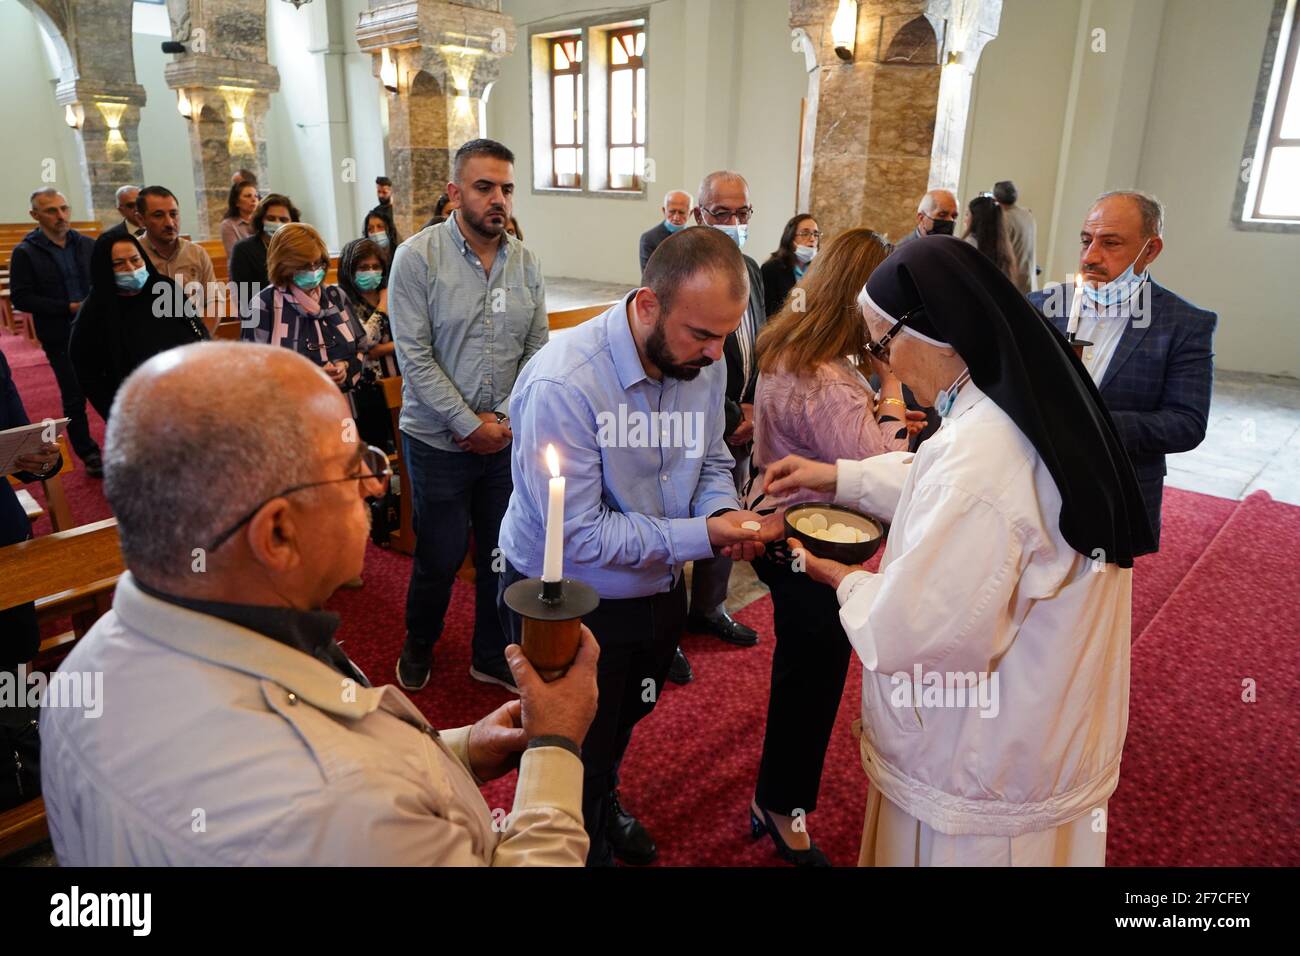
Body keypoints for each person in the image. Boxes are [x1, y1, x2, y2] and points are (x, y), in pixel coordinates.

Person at [40, 341, 599, 865]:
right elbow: (353, 804)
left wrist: (460, 752)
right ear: (277, 534)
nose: (376, 486)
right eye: (354, 467)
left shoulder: (81, 672)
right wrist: (555, 745)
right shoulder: (336, 805)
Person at [763, 235, 1154, 866]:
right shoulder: (1015, 402)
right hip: (1045, 721)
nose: (882, 364)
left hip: (984, 763)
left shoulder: (981, 457)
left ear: (932, 334)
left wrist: (841, 577)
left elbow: (910, 635)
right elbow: (934, 484)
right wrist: (839, 476)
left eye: (880, 345)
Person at [497, 226, 774, 866]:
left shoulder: (706, 355)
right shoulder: (565, 383)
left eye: (725, 336)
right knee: (569, 738)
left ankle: (603, 797)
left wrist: (724, 510)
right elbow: (581, 537)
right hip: (568, 596)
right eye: (700, 335)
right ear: (648, 305)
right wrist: (703, 535)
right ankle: (571, 839)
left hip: (654, 582)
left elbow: (707, 459)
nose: (714, 354)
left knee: (626, 713)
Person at [748, 228, 922, 865]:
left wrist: (875, 403)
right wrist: (893, 391)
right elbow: (885, 470)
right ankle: (781, 804)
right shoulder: (830, 377)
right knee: (813, 683)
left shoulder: (786, 344)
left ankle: (772, 790)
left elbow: (840, 446)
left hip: (778, 527)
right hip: (811, 542)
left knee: (800, 671)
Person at [388, 138, 548, 694]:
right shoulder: (416, 258)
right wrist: (467, 424)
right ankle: (419, 640)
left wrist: (499, 421)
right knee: (439, 552)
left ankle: (491, 652)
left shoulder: (524, 262)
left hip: (502, 441)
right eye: (484, 187)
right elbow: (413, 357)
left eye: (506, 188)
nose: (498, 199)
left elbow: (536, 348)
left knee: (502, 551)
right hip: (436, 441)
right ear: (455, 193)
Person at [1029, 190, 1215, 545]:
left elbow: (1186, 424)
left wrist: (1091, 425)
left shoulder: (1184, 323)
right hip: (1029, 486)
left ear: (1151, 250)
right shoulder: (1041, 306)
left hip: (1113, 497)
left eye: (1110, 243)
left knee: (1095, 598)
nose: (1091, 256)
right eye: (1086, 240)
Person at [677, 170, 767, 678]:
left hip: (741, 422)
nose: (734, 223)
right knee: (676, 525)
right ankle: (663, 633)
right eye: (722, 214)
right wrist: (732, 415)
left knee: (725, 517)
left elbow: (756, 342)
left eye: (742, 214)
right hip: (691, 426)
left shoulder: (750, 270)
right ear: (699, 216)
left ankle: (708, 607)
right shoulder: (683, 273)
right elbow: (684, 360)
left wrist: (754, 407)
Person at [7, 188, 101, 475]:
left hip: (96, 329)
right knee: (74, 395)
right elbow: (21, 297)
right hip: (60, 334)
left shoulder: (86, 244)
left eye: (64, 208)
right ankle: (89, 454)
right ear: (35, 215)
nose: (60, 216)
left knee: (115, 387)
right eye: (51, 210)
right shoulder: (26, 252)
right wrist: (67, 307)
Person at [69, 233, 208, 420]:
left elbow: (197, 329)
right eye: (119, 264)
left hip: (188, 392)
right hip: (139, 406)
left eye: (135, 260)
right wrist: (115, 413)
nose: (131, 269)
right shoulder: (95, 310)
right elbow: (86, 369)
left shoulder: (164, 288)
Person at [243, 222, 365, 393]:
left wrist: (344, 366)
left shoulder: (336, 296)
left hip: (342, 403)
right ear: (284, 265)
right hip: (289, 409)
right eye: (304, 266)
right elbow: (252, 369)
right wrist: (310, 377)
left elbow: (361, 347)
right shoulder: (262, 305)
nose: (313, 271)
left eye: (318, 263)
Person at [337, 236, 398, 451]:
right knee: (376, 449)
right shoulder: (342, 301)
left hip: (400, 380)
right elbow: (364, 339)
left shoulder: (393, 293)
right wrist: (383, 306)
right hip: (367, 389)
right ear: (349, 269)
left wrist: (386, 348)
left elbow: (414, 335)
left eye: (375, 266)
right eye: (363, 267)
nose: (371, 272)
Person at [136, 185, 221, 332]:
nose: (169, 223)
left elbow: (214, 302)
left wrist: (200, 339)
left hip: (194, 337)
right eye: (158, 215)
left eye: (173, 214)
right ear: (141, 219)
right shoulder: (133, 255)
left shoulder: (197, 253)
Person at [229, 193, 300, 315]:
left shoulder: (297, 248)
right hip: (261, 316)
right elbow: (244, 296)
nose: (277, 223)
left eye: (283, 220)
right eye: (271, 219)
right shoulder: (243, 249)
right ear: (261, 219)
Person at [760, 214, 819, 317]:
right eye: (805, 233)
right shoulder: (771, 269)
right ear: (790, 238)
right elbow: (768, 314)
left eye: (815, 234)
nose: (812, 239)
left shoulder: (821, 270)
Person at [994, 180, 1037, 293]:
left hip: (1012, 284)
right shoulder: (1027, 215)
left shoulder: (1004, 219)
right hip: (1029, 280)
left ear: (996, 198)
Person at [961, 193, 1015, 282]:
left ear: (975, 218)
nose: (965, 220)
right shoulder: (1002, 247)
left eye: (967, 214)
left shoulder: (969, 244)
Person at [638, 189, 692, 274]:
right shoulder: (649, 239)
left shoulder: (695, 238)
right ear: (664, 211)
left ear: (690, 213)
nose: (676, 217)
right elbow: (648, 276)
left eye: (681, 213)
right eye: (672, 212)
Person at [220, 180, 259, 260]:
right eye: (248, 196)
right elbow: (235, 256)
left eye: (256, 196)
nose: (253, 199)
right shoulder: (228, 225)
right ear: (237, 202)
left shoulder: (261, 221)